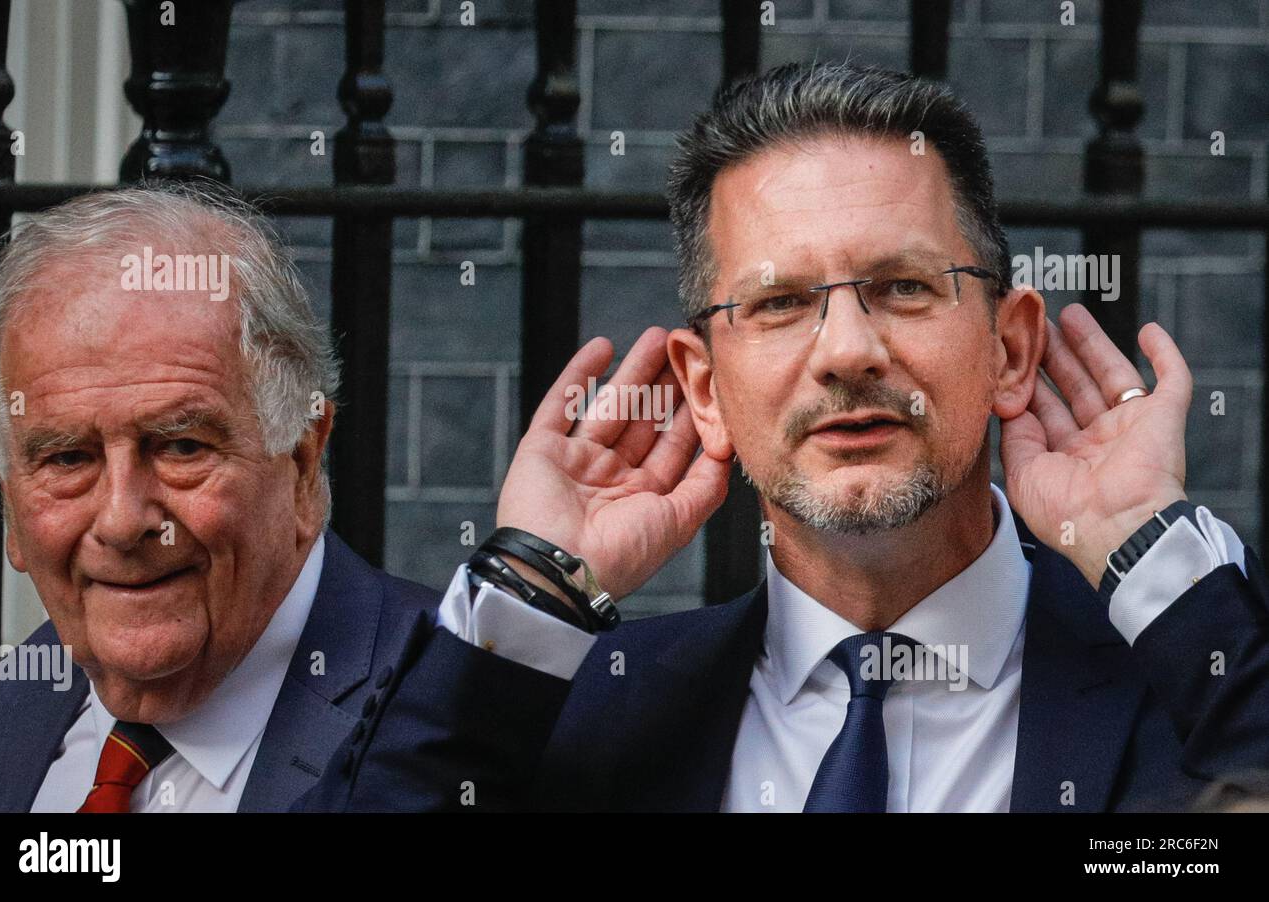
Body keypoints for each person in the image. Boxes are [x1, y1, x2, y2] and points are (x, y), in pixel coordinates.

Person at [298, 62, 1269, 813]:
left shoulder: (1187, 680)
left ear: (1010, 348)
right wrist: (532, 591)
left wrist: (1152, 550)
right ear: (704, 386)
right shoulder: (581, 717)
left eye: (902, 286)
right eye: (778, 301)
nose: (846, 349)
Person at [0, 185, 437, 812]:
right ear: (9, 504)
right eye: (68, 459)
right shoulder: (15, 700)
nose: (121, 520)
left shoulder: (453, 713)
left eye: (180, 448)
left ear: (302, 463)